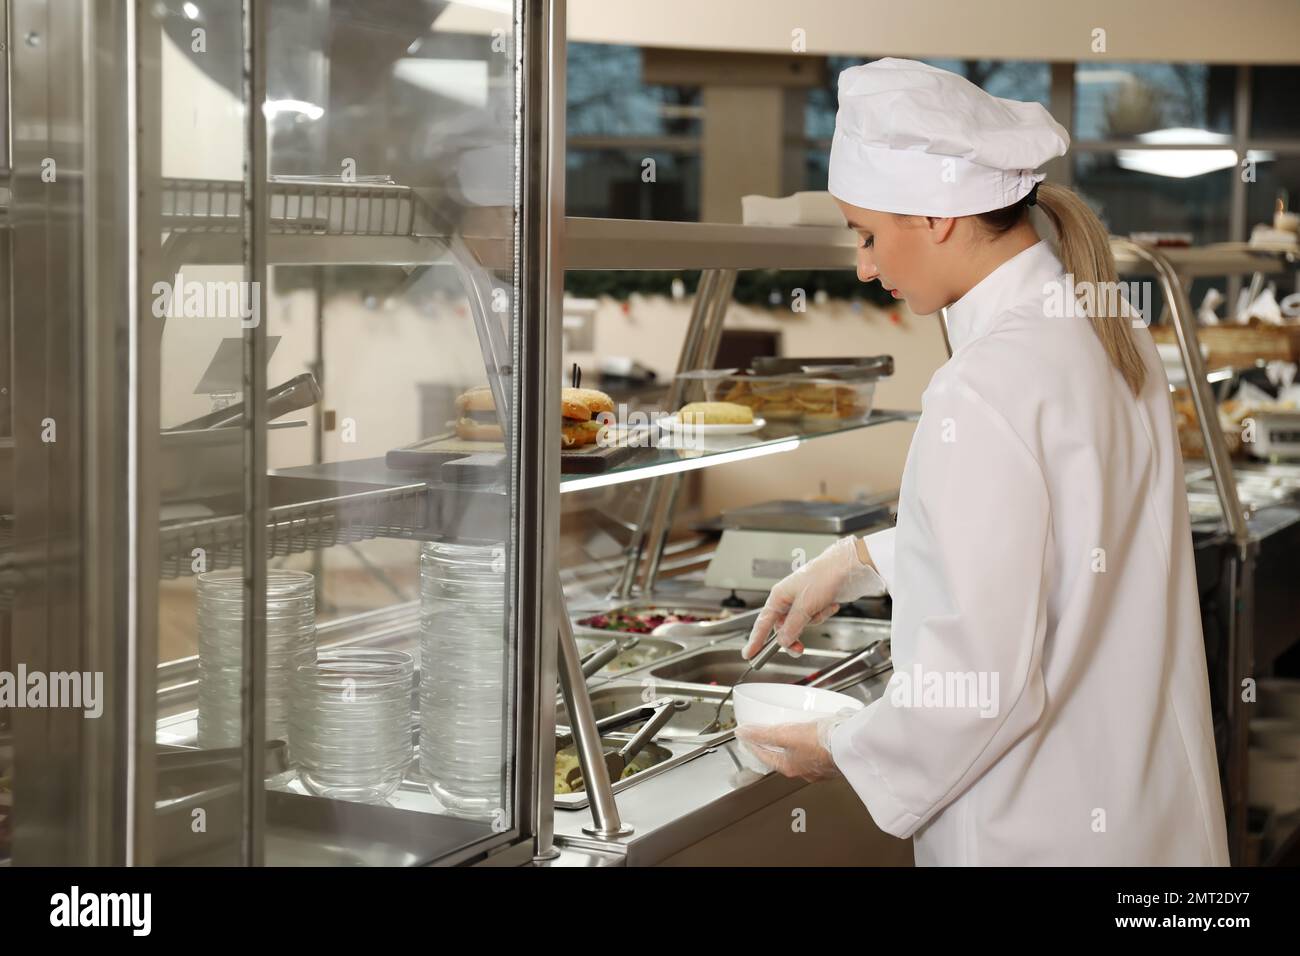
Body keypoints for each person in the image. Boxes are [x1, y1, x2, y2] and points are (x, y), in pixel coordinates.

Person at [735, 59, 1230, 866]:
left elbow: (976, 693)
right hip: (1145, 811)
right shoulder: (1104, 329)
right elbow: (1063, 528)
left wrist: (839, 743)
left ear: (935, 217)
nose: (863, 265)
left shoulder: (985, 383)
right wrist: (860, 559)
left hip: (1039, 828)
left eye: (866, 233)